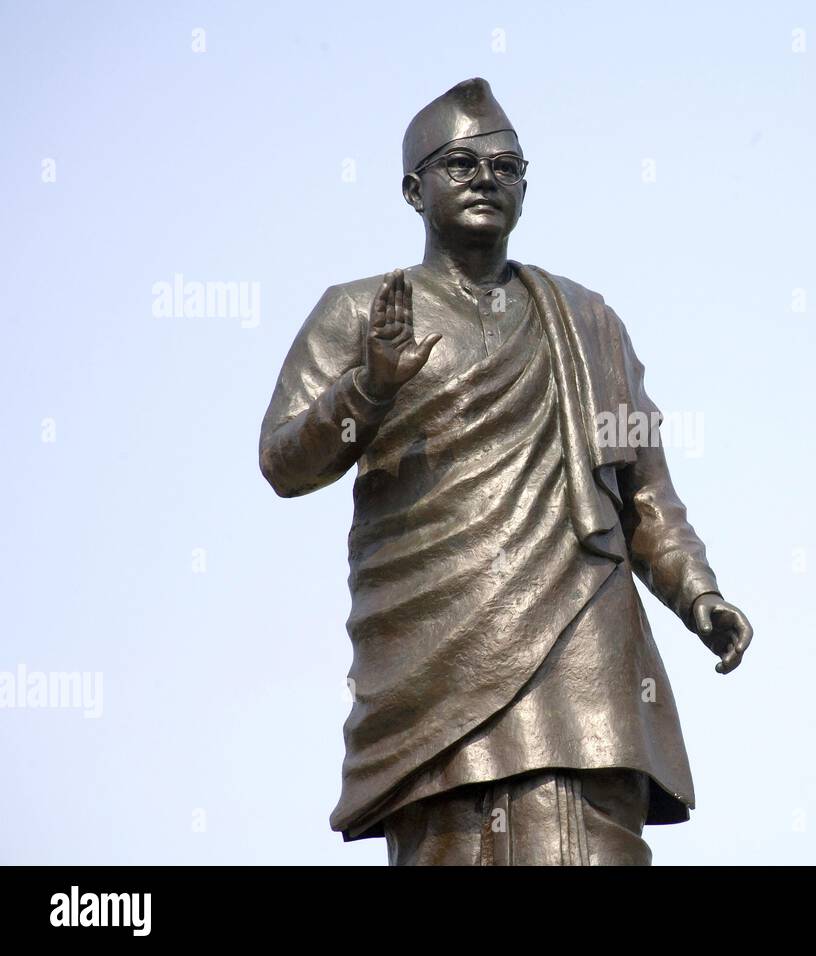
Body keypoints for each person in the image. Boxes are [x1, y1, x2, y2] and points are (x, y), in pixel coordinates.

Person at [258, 78, 753, 865]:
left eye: (507, 166)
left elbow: (646, 491)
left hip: (585, 625)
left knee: (596, 836)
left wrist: (698, 592)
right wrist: (370, 385)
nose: (487, 178)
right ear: (413, 191)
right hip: (437, 651)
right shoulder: (359, 311)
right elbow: (284, 463)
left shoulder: (588, 319)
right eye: (460, 164)